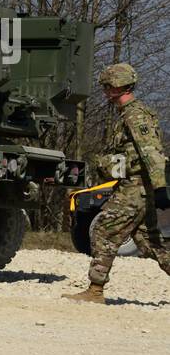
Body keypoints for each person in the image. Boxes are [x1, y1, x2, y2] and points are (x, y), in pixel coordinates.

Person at [64, 62, 170, 304]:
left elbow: (150, 152)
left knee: (103, 230)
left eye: (106, 87)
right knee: (150, 243)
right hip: (135, 187)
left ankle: (95, 291)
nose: (104, 91)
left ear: (116, 86)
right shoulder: (129, 113)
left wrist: (160, 187)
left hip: (135, 189)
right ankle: (95, 290)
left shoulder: (135, 115)